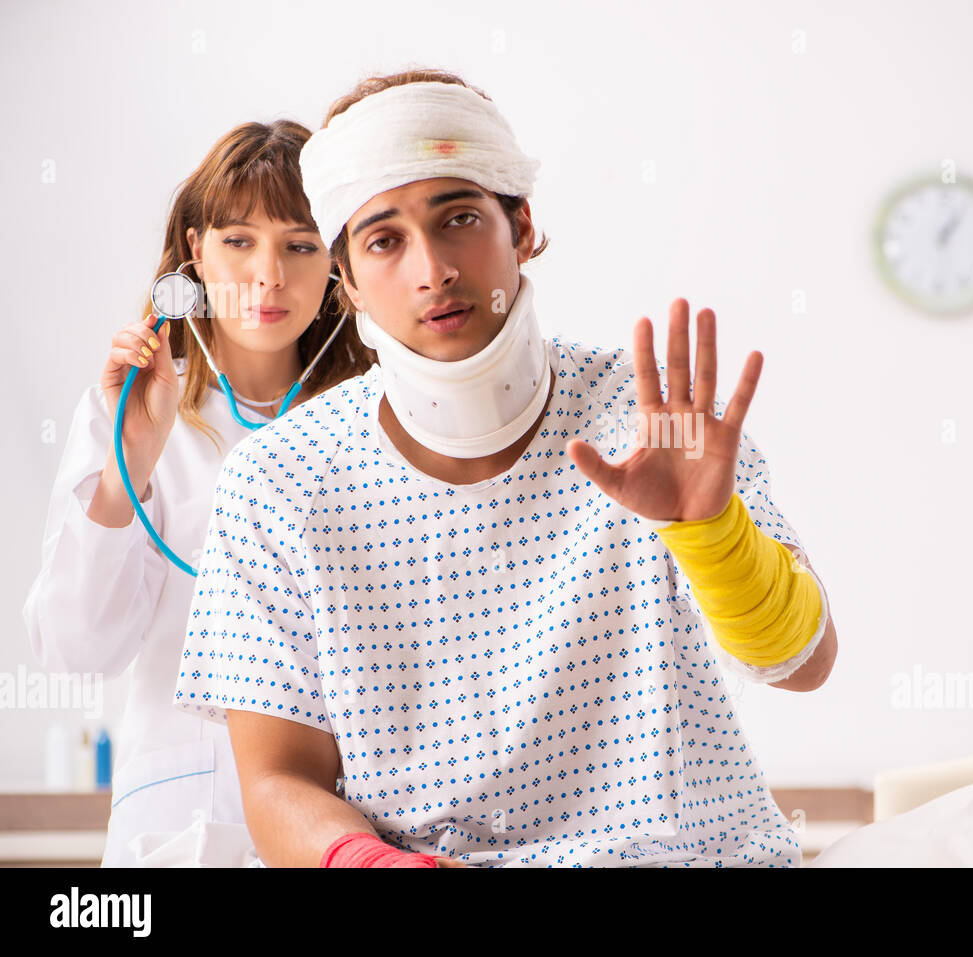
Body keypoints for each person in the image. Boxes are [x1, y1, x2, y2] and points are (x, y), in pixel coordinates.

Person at [172, 68, 838, 868]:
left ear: (521, 226)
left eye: (458, 218)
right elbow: (278, 782)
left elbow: (805, 663)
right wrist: (371, 862)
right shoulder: (279, 480)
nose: (432, 271)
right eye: (384, 239)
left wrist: (711, 532)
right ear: (345, 278)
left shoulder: (647, 419)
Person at [23, 119, 377, 867]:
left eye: (301, 244)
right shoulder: (126, 415)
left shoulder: (377, 419)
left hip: (342, 815)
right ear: (194, 254)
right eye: (238, 241)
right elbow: (74, 649)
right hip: (178, 823)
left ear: (339, 262)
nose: (268, 275)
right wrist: (132, 466)